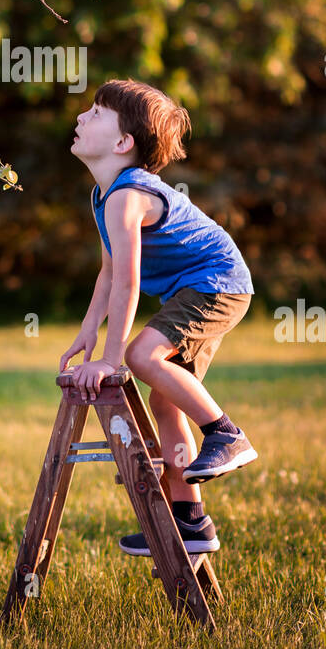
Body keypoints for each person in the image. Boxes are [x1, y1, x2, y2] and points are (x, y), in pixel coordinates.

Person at [62, 78, 257, 556]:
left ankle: (226, 434)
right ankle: (191, 521)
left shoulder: (128, 195)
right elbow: (108, 275)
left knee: (141, 354)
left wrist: (111, 361)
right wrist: (89, 331)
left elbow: (130, 283)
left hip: (217, 283)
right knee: (165, 402)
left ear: (123, 143)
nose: (82, 118)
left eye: (95, 114)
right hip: (202, 288)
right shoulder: (103, 196)